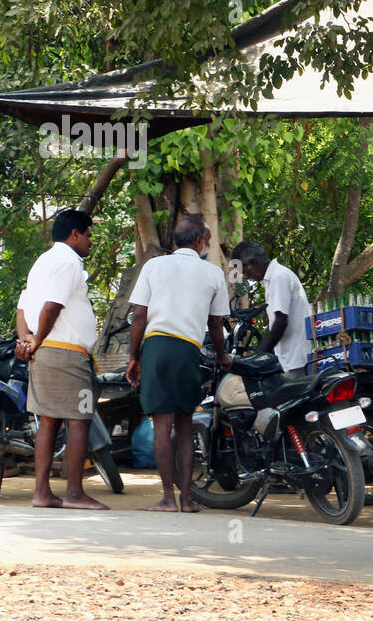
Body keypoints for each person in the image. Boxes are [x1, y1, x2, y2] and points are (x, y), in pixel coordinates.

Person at [125, 215, 232, 512]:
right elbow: (215, 323)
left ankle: (167, 499)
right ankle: (186, 499)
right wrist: (222, 356)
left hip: (157, 348)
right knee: (184, 425)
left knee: (162, 424)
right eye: (208, 241)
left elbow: (139, 316)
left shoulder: (154, 266)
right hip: (188, 351)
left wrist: (134, 357)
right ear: (199, 241)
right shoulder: (213, 274)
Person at [20, 209, 107, 510]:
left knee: (48, 423)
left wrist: (29, 340)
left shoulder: (41, 262)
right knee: (79, 419)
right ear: (74, 234)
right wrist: (39, 338)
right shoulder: (70, 261)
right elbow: (52, 306)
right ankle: (74, 493)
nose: (91, 241)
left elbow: (22, 309)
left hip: (45, 353)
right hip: (65, 352)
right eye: (89, 234)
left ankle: (42, 492)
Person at [229, 241, 311, 373]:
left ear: (254, 263)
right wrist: (257, 355)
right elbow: (274, 323)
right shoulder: (272, 279)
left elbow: (280, 321)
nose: (247, 277)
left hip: (297, 358)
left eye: (245, 272)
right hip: (289, 359)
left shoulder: (279, 277)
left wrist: (258, 358)